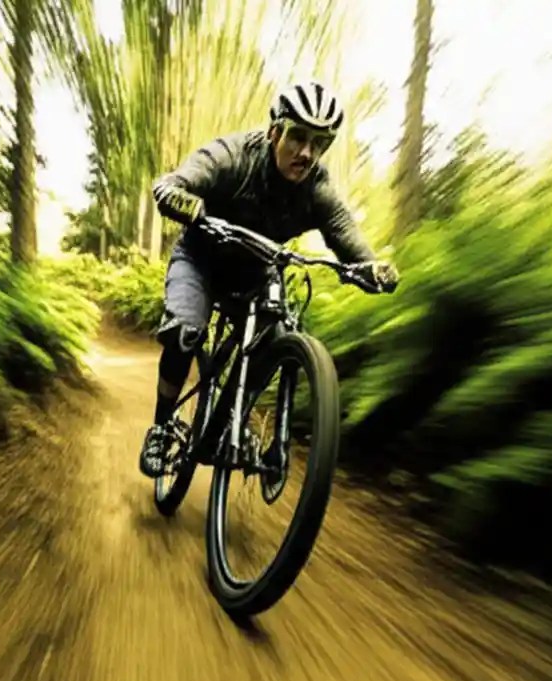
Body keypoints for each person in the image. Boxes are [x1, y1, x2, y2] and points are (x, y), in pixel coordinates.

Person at [138, 80, 400, 479]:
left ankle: (235, 411)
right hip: (201, 258)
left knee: (278, 335)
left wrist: (369, 267)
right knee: (185, 331)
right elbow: (178, 180)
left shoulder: (317, 187)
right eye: (297, 137)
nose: (307, 152)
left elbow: (344, 231)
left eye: (319, 142)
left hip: (257, 269)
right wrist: (176, 195)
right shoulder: (232, 156)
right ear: (274, 131)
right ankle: (160, 427)